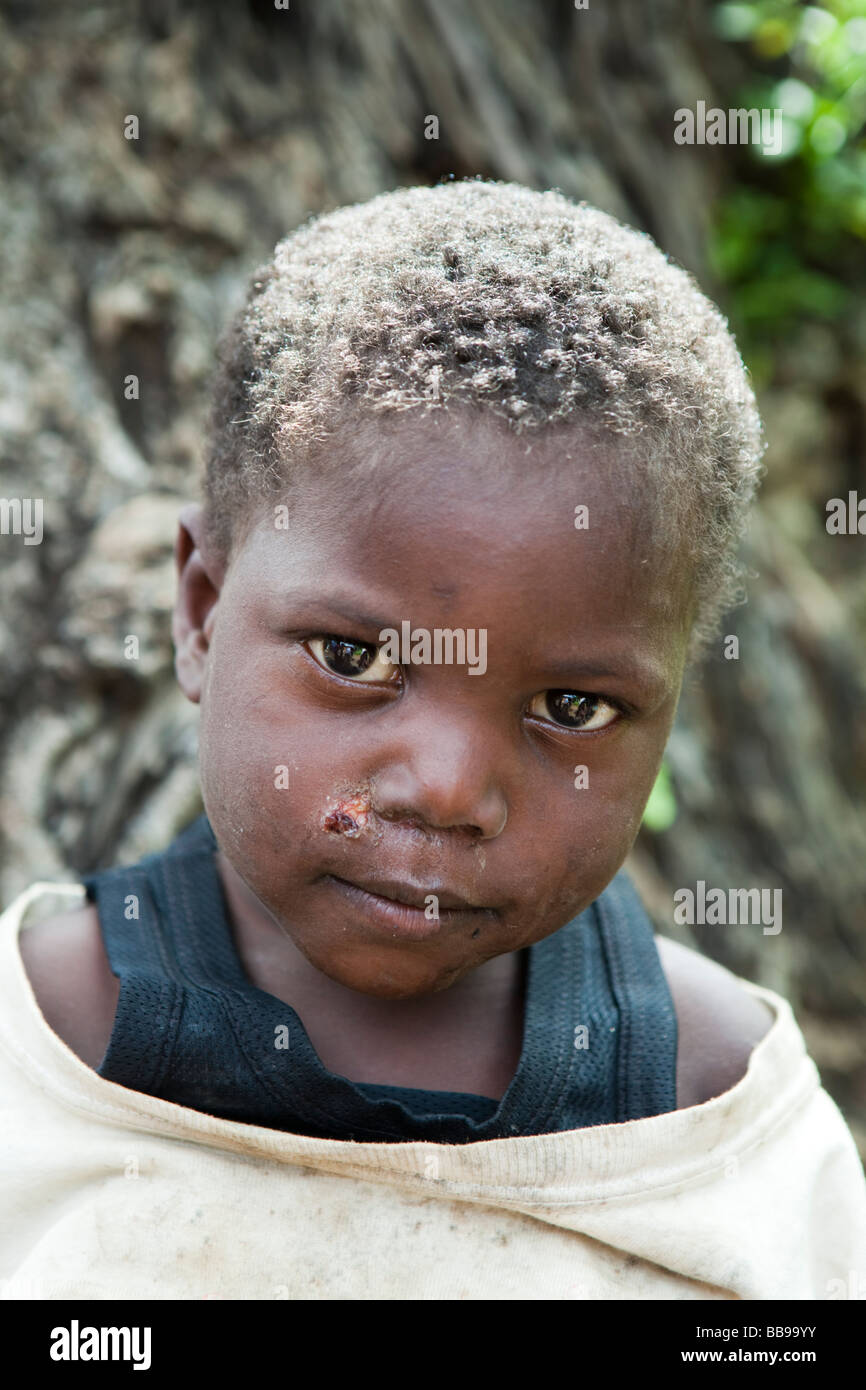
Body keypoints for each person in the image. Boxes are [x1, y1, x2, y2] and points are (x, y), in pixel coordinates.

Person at [3, 181, 864, 1300]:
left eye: (569, 708)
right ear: (203, 612)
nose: (448, 789)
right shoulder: (36, 1058)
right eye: (354, 660)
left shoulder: (722, 1127)